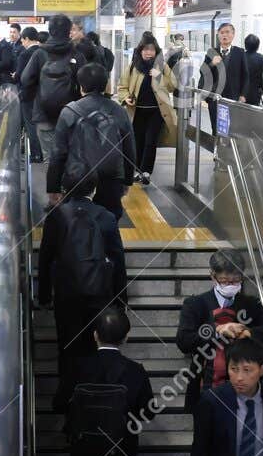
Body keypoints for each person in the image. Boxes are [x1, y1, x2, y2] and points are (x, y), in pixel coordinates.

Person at [37, 175, 128, 407]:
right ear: (95, 189)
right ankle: (97, 394)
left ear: (65, 189)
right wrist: (121, 300)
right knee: (95, 344)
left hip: (67, 294)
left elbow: (45, 258)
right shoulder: (106, 217)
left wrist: (44, 295)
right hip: (100, 294)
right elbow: (118, 260)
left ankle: (65, 393)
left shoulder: (56, 216)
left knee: (67, 344)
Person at [58, 305, 154, 456]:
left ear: (95, 335)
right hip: (120, 451)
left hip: (84, 452)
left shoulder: (76, 367)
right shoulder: (135, 371)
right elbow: (148, 412)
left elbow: (58, 404)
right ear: (126, 337)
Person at [175, 251, 263, 412]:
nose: (231, 284)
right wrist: (218, 330)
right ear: (213, 276)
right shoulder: (196, 304)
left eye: (236, 280)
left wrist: (247, 333)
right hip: (207, 383)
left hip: (244, 385)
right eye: (225, 280)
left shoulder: (250, 303)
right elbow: (184, 341)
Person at [47, 62, 133, 218]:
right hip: (111, 177)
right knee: (109, 220)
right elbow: (129, 148)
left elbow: (58, 153)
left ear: (81, 86)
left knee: (76, 221)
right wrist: (127, 180)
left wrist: (53, 187)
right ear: (105, 84)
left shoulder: (69, 111)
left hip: (77, 177)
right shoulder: (119, 111)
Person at [115, 33, 177, 185]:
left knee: (150, 141)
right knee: (138, 141)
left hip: (157, 111)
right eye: (145, 49)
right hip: (137, 111)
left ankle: (146, 172)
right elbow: (122, 87)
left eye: (152, 50)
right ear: (140, 51)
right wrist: (126, 98)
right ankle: (137, 170)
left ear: (156, 52)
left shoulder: (162, 67)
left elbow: (172, 85)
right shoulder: (132, 67)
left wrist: (158, 76)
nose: (149, 53)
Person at [22, 15, 84, 161]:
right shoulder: (77, 55)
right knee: (72, 159)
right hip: (72, 116)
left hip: (44, 115)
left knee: (51, 161)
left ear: (50, 31)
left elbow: (25, 80)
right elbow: (86, 84)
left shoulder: (40, 53)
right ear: (68, 31)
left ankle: (52, 183)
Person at [203, 22, 247, 138]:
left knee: (231, 129)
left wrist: (243, 95)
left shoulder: (240, 52)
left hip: (233, 98)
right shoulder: (211, 52)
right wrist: (212, 63)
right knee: (216, 128)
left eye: (227, 32)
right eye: (222, 32)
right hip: (215, 98)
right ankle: (216, 155)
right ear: (218, 35)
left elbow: (245, 76)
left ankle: (228, 155)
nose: (224, 35)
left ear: (233, 35)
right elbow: (203, 72)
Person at [14, 26, 45, 162]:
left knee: (30, 125)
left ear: (26, 39)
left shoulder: (25, 54)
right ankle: (42, 153)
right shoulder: (43, 52)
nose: (22, 43)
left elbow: (20, 76)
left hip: (27, 95)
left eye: (23, 40)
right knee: (39, 125)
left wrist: (15, 75)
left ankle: (36, 154)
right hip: (42, 94)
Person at [241, 34, 263, 106]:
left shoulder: (239, 57)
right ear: (258, 46)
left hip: (239, 92)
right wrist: (262, 87)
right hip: (255, 93)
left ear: (245, 45)